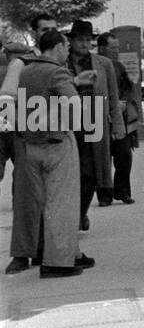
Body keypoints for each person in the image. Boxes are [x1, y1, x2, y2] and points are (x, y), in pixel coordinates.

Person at [9, 29, 93, 278]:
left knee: (38, 202)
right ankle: (57, 262)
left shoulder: (25, 71)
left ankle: (71, 254)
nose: (67, 51)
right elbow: (73, 105)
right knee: (62, 204)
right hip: (57, 143)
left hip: (30, 144)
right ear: (56, 47)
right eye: (66, 46)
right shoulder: (58, 72)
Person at [4, 12, 59, 272]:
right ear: (34, 33)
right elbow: (6, 102)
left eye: (54, 28)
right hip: (28, 139)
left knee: (55, 197)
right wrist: (16, 135)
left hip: (57, 139)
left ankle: (48, 250)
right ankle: (22, 253)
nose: (49, 32)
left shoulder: (60, 60)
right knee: (27, 197)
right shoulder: (21, 63)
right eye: (44, 28)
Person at [66, 20, 125, 224]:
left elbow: (113, 96)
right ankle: (73, 215)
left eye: (87, 40)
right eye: (80, 40)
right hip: (68, 121)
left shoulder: (103, 64)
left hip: (94, 119)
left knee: (92, 173)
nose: (84, 44)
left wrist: (118, 124)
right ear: (71, 41)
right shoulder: (62, 63)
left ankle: (81, 212)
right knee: (71, 172)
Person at [97, 32, 140, 203]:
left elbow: (130, 89)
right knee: (103, 159)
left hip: (118, 116)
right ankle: (104, 195)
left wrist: (123, 102)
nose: (116, 51)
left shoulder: (118, 66)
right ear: (101, 48)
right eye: (112, 48)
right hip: (99, 117)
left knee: (124, 155)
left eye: (116, 48)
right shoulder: (93, 66)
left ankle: (123, 191)